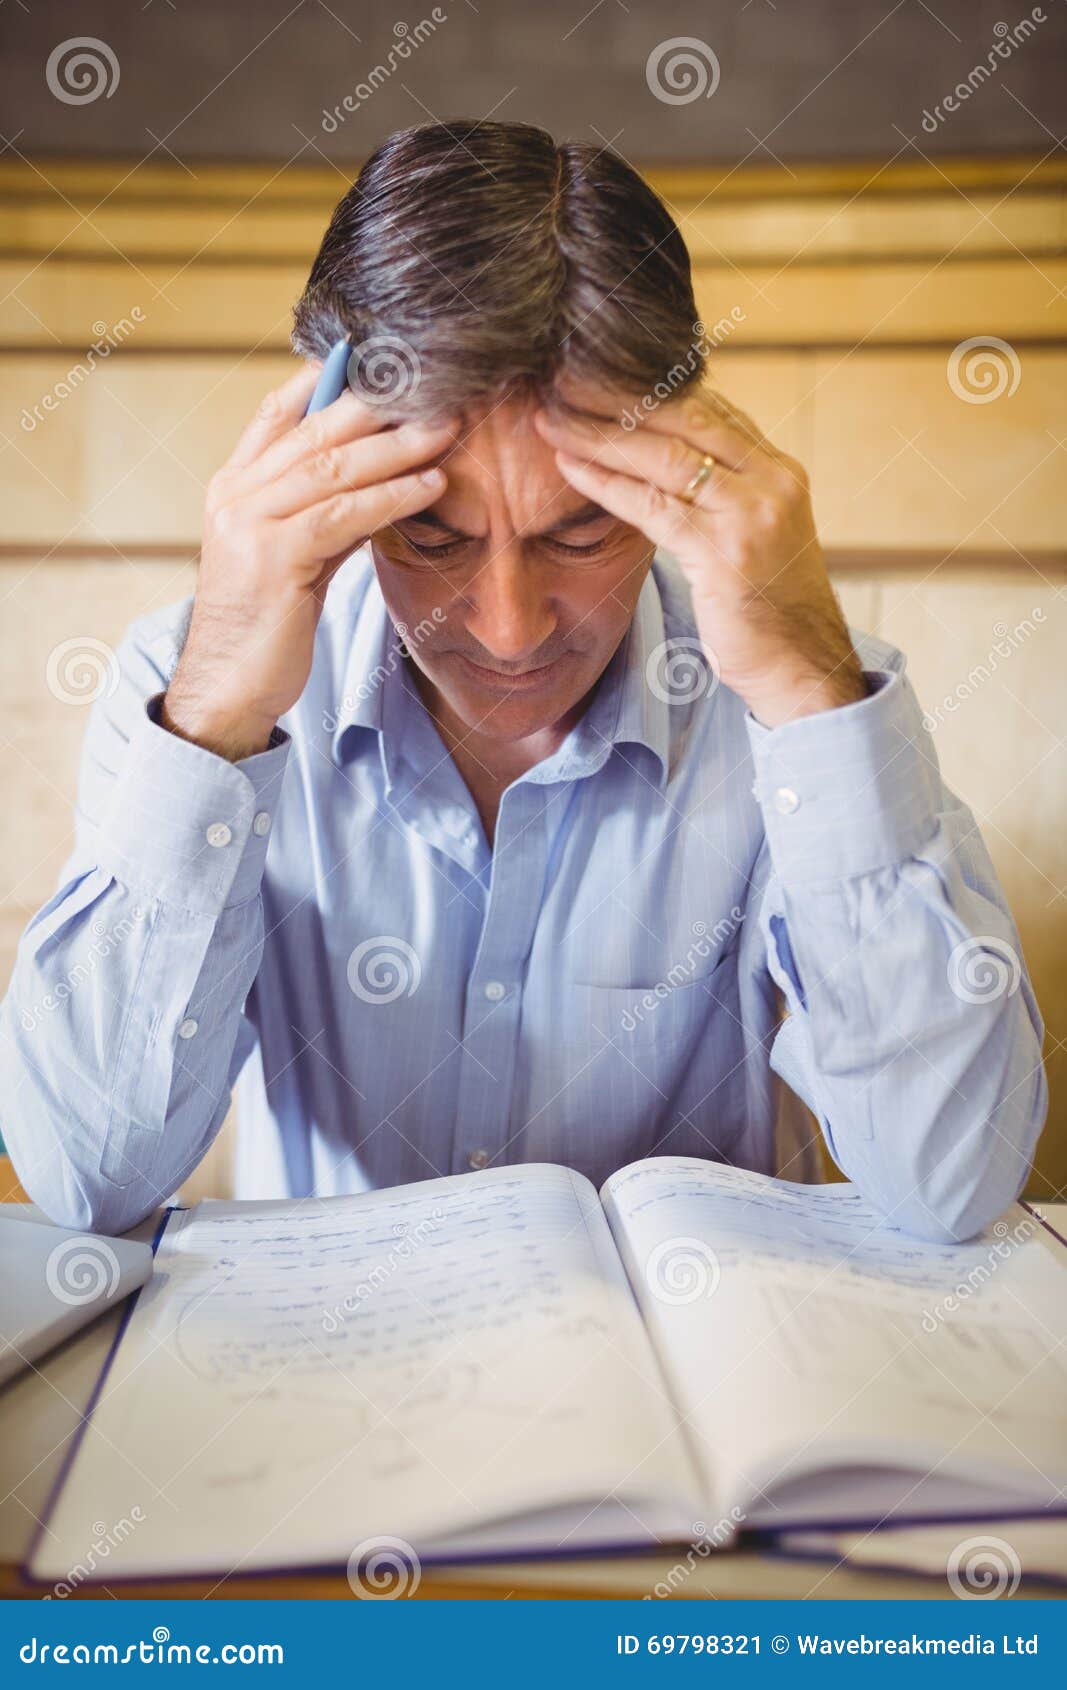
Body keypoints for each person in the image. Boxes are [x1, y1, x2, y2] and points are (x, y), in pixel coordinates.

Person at [0, 121, 1046, 1240]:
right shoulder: (186, 694)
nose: (506, 630)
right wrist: (212, 723)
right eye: (433, 540)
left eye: (582, 530)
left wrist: (808, 699)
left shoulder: (811, 709)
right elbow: (80, 1176)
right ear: (324, 469)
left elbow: (952, 1179)